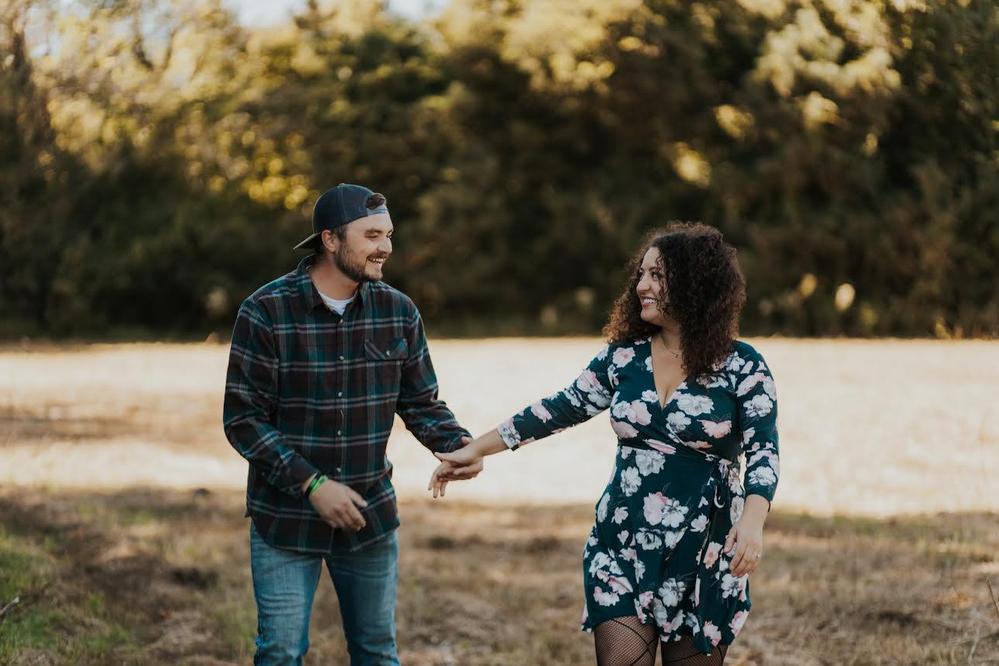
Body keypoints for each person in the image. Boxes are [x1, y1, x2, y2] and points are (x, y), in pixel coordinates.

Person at [431, 223, 780, 666]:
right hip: (622, 542)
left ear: (695, 283)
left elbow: (764, 450)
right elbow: (559, 408)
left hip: (704, 549)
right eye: (641, 274)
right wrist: (475, 448)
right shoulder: (623, 357)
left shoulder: (743, 366)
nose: (642, 285)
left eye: (657, 275)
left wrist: (752, 522)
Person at [223, 183, 480, 666]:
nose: (386, 247)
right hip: (286, 519)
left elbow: (420, 403)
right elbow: (244, 419)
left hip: (369, 517)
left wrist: (458, 444)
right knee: (280, 653)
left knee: (376, 653)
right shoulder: (266, 311)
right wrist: (314, 485)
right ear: (331, 239)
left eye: (388, 234)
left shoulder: (398, 311)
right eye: (372, 235)